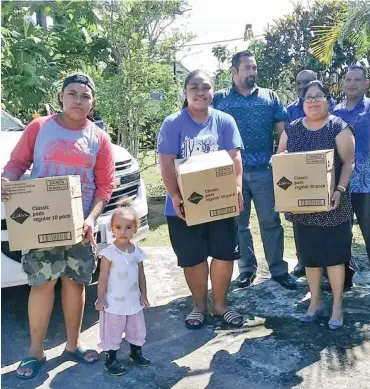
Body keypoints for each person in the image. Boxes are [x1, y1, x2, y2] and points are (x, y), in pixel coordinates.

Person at [1, 72, 115, 379]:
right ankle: (35, 352)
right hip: (42, 221)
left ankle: (72, 346)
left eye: (85, 96)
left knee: (75, 284)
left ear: (93, 102)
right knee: (41, 284)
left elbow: (105, 187)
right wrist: (7, 181)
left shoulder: (99, 138)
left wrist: (91, 220)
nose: (79, 101)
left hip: (80, 227)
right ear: (61, 97)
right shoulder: (39, 128)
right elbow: (16, 164)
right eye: (73, 94)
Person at [157, 69, 245, 329]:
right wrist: (174, 196)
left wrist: (237, 188)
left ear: (212, 92)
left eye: (205, 87)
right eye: (194, 87)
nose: (200, 92)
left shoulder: (225, 121)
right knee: (193, 257)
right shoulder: (173, 123)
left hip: (220, 203)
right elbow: (166, 163)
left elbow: (234, 158)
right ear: (185, 92)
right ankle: (199, 305)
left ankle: (220, 304)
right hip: (184, 206)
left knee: (223, 254)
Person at [213, 50, 296, 290]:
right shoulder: (220, 99)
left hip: (264, 170)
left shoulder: (270, 97)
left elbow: (284, 132)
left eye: (254, 67)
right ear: (234, 71)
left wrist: (281, 159)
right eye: (247, 68)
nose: (252, 72)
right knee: (239, 224)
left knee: (271, 221)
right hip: (230, 173)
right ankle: (246, 270)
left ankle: (278, 269)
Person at [278, 80, 355, 330]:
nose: (313, 100)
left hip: (333, 206)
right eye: (308, 97)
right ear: (302, 103)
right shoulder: (291, 129)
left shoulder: (339, 127)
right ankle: (315, 302)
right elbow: (280, 162)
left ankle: (337, 307)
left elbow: (349, 163)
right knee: (310, 258)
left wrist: (339, 190)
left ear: (328, 100)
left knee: (333, 258)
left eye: (318, 96)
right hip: (303, 208)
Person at [333, 65, 370, 299]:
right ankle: (343, 280)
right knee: (339, 234)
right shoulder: (334, 112)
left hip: (368, 183)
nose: (352, 84)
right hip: (340, 185)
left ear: (366, 84)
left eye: (357, 80)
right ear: (342, 83)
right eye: (348, 79)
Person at [96, 201, 150, 376]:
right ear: (112, 228)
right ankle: (111, 358)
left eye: (128, 227)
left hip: (133, 300)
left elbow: (141, 275)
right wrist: (101, 298)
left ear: (135, 228)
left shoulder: (137, 252)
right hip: (113, 303)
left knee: (136, 328)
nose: (122, 231)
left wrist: (144, 295)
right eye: (118, 227)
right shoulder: (109, 253)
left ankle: (136, 352)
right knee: (113, 330)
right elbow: (102, 277)